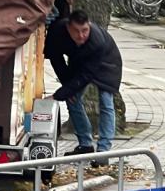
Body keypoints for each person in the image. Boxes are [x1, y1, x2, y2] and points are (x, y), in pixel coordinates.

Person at [45, 10, 122, 167]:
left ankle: (103, 151)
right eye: (76, 31)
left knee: (106, 102)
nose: (81, 36)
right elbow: (56, 59)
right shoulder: (57, 31)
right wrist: (66, 86)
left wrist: (58, 95)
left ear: (89, 26)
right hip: (78, 62)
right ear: (68, 28)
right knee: (72, 99)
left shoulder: (97, 41)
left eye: (85, 30)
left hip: (107, 62)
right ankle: (85, 144)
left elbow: (86, 76)